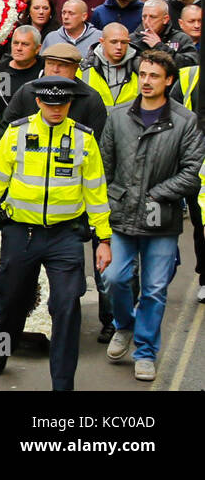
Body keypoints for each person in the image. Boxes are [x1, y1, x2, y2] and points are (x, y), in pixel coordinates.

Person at [0, 76, 112, 391]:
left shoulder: (83, 140)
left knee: (67, 305)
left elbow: (97, 193)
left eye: (62, 104)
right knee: (13, 299)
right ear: (38, 102)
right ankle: (2, 350)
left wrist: (104, 240)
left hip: (66, 235)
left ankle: (62, 383)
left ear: (69, 104)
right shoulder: (18, 133)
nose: (56, 110)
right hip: (22, 233)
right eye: (49, 103)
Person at [99, 49, 205, 382]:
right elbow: (103, 166)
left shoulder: (185, 121)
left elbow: (191, 173)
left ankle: (145, 352)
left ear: (168, 80)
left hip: (162, 217)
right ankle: (124, 326)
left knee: (155, 288)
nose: (146, 81)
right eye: (142, 74)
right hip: (120, 213)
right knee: (114, 278)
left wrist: (156, 193)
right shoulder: (117, 116)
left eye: (154, 76)